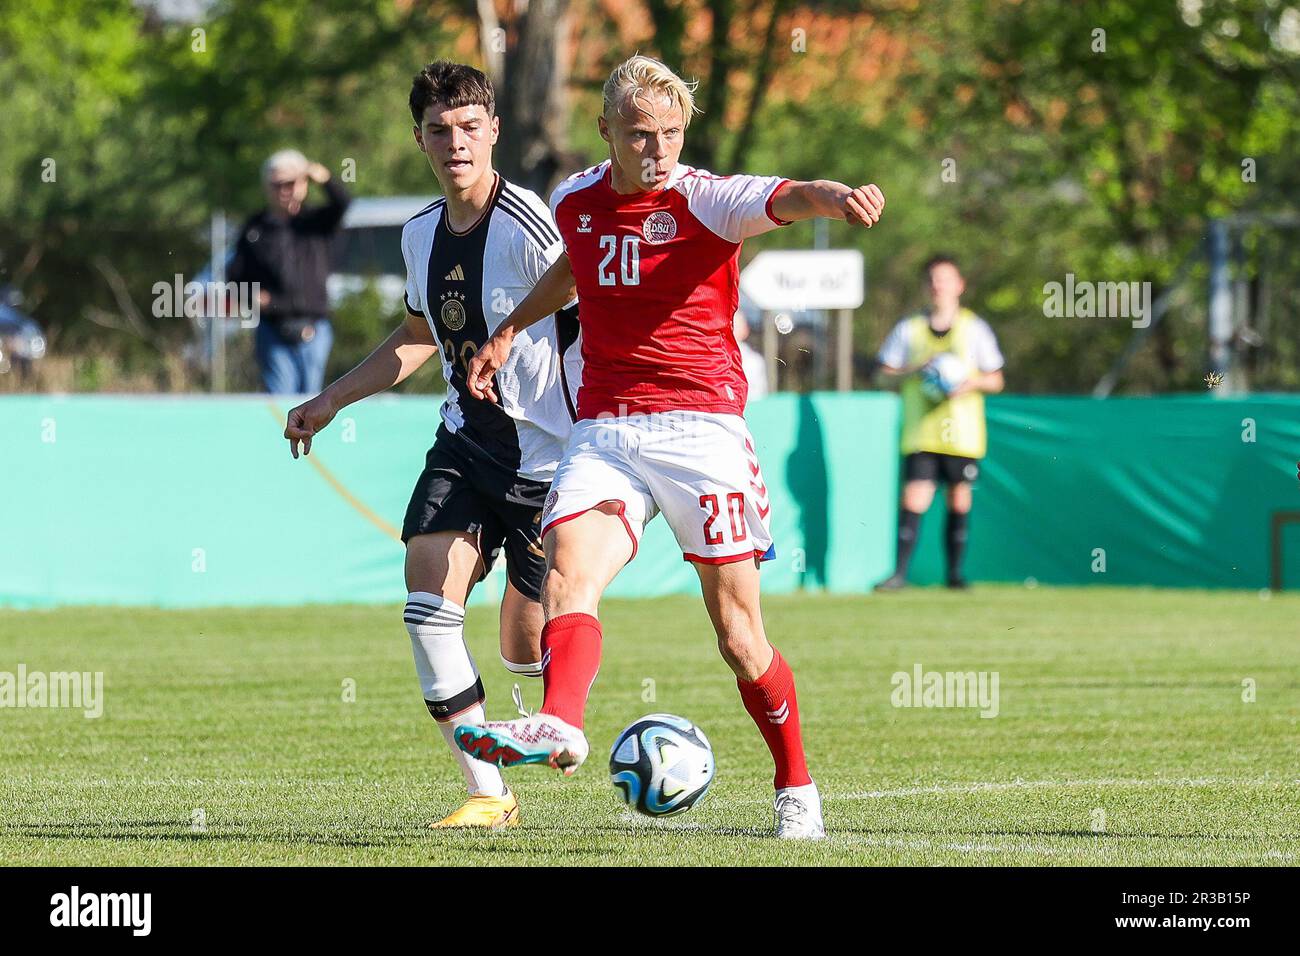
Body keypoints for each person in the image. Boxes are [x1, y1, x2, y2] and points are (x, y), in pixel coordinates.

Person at [453, 55, 885, 840]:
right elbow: (573, 271)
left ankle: (795, 784)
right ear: (607, 131)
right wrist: (509, 331)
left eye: (671, 133)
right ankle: (559, 722)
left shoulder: (707, 199)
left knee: (739, 637)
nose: (657, 149)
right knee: (569, 575)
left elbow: (785, 197)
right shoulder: (576, 200)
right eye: (641, 134)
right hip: (607, 429)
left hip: (703, 430)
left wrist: (834, 196)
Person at [282, 61, 580, 829]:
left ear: (494, 132)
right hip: (464, 442)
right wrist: (331, 400)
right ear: (419, 139)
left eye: (470, 127)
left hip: (549, 457)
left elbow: (584, 298)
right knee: (426, 605)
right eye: (440, 130)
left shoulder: (528, 224)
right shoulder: (420, 233)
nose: (456, 142)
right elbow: (418, 336)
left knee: (524, 644)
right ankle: (488, 793)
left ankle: (556, 716)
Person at [873, 255, 1004, 590]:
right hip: (922, 434)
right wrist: (916, 369)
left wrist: (968, 383)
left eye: (945, 279)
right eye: (933, 279)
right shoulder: (909, 329)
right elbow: (883, 375)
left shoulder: (974, 328)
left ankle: (955, 576)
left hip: (962, 435)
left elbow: (996, 379)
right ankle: (899, 574)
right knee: (914, 499)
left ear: (959, 285)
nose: (938, 285)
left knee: (959, 500)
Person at [230, 149, 349, 394]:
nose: (285, 189)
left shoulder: (316, 221)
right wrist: (251, 296)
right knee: (281, 401)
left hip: (314, 328)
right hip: (273, 328)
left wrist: (322, 177)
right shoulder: (255, 228)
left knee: (312, 401)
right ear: (267, 187)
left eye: (291, 182)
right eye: (277, 184)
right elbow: (234, 274)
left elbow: (343, 203)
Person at [733, 309, 768, 404]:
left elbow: (760, 393)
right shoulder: (755, 360)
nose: (733, 329)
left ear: (746, 330)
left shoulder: (754, 360)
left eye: (737, 326)